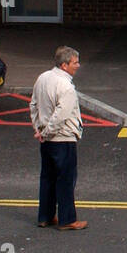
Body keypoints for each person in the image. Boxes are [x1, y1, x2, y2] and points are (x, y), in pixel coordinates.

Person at [30, 46, 87, 230]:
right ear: (64, 65)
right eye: (75, 62)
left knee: (47, 178)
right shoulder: (66, 87)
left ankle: (45, 216)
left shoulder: (43, 78)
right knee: (65, 179)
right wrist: (46, 132)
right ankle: (67, 219)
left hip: (46, 141)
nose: (78, 65)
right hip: (63, 139)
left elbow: (33, 104)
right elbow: (61, 115)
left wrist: (38, 129)